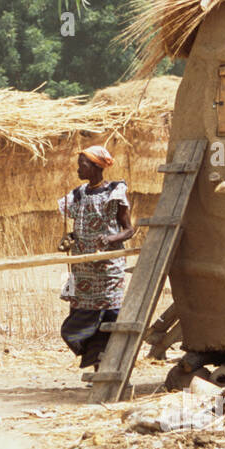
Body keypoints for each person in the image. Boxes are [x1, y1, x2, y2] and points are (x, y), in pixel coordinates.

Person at [58, 144, 134, 370]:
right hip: (84, 271)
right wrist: (68, 240)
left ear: (96, 167)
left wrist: (110, 240)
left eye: (82, 165)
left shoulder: (115, 192)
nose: (78, 170)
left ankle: (106, 367)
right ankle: (96, 361)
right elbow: (77, 228)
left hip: (108, 268)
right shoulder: (77, 194)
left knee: (108, 316)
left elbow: (129, 229)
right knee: (80, 320)